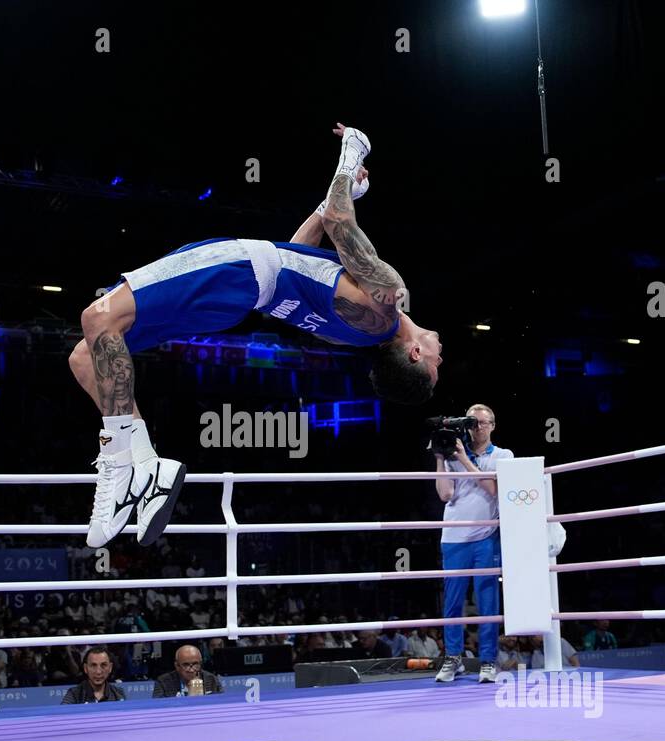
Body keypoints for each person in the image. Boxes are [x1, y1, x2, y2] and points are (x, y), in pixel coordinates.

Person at [70, 124, 443, 549]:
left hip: (236, 271)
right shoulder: (353, 338)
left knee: (97, 317)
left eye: (435, 366)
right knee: (86, 357)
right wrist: (328, 206)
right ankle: (143, 462)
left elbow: (338, 222)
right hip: (240, 296)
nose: (441, 358)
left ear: (414, 354)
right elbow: (294, 253)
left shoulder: (385, 299)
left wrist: (351, 154)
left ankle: (121, 466)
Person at [434, 404, 512, 684]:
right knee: (452, 603)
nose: (476, 428)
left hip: (486, 538)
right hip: (453, 537)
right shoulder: (452, 456)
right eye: (472, 423)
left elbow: (494, 491)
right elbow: (445, 495)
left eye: (482, 423)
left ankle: (489, 661)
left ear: (493, 425)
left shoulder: (503, 456)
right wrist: (440, 458)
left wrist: (466, 460)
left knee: (487, 602)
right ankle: (453, 658)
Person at [61, 646, 126, 704]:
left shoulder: (118, 693)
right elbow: (62, 715)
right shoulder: (74, 694)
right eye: (93, 665)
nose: (98, 671)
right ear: (85, 668)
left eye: (103, 665)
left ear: (110, 667)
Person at [153, 644, 224, 697]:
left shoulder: (211, 679)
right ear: (177, 666)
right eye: (186, 665)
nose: (191, 669)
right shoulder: (163, 682)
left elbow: (221, 703)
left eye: (195, 664)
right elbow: (157, 707)